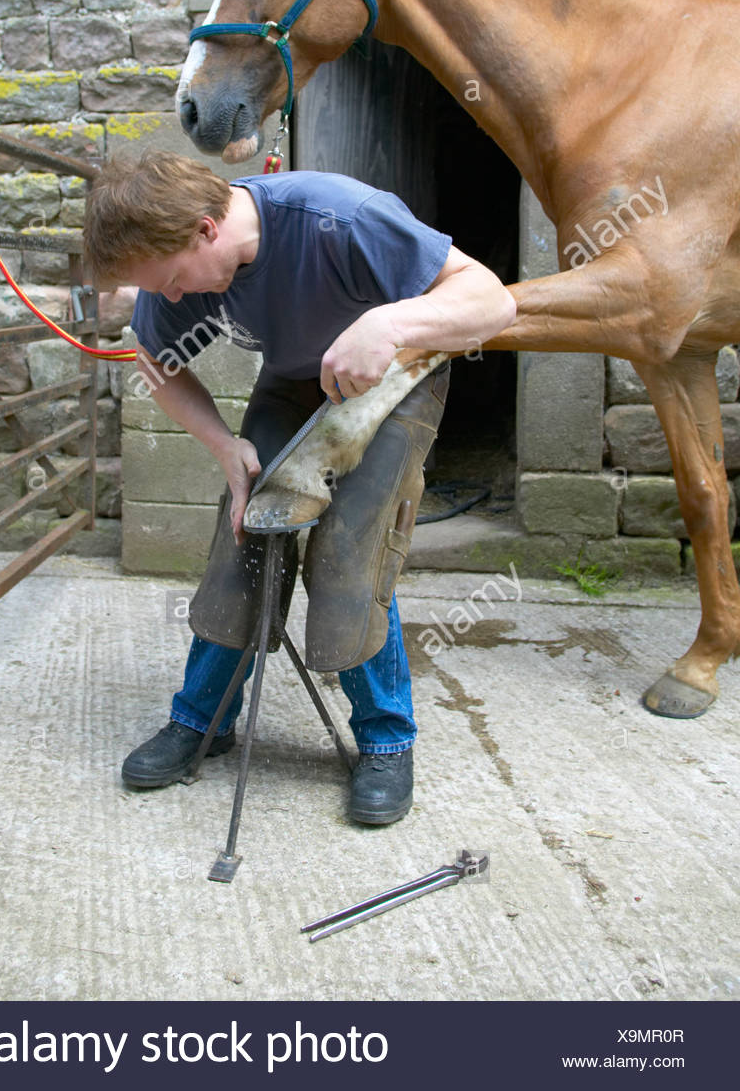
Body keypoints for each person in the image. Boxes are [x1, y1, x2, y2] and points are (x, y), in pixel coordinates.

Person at [83, 151, 516, 825]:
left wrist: (391, 322)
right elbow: (154, 361)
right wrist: (225, 446)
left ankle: (386, 740)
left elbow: (493, 300)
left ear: (205, 230)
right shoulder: (182, 270)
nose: (172, 298)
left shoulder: (339, 218)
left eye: (170, 282)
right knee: (245, 532)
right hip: (295, 377)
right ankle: (204, 719)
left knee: (349, 551)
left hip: (397, 372)